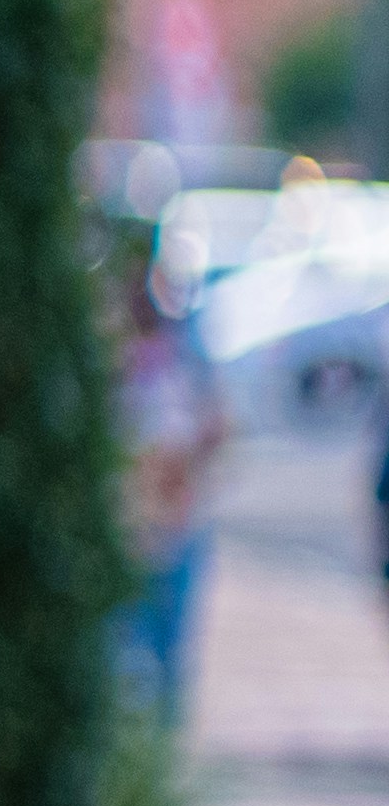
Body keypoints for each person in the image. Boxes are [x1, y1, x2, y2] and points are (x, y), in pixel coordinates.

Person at [119, 240, 232, 742]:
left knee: (168, 655)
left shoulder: (186, 348)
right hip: (130, 526)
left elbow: (220, 424)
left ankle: (156, 765)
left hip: (178, 521)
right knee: (125, 649)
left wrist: (184, 466)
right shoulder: (112, 353)